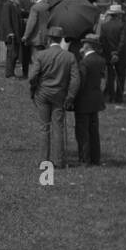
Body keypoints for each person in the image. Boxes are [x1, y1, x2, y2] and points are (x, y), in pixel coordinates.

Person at [28, 25, 80, 169]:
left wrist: (34, 88)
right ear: (61, 38)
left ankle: (43, 160)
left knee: (44, 127)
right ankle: (59, 160)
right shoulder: (69, 56)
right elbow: (76, 80)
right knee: (58, 127)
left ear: (49, 38)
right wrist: (70, 97)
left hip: (43, 93)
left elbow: (32, 76)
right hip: (60, 94)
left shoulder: (41, 55)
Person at [66, 33, 105, 165]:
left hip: (83, 101)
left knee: (82, 132)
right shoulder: (100, 60)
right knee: (94, 131)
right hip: (96, 100)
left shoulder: (84, 63)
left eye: (83, 44)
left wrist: (71, 98)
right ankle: (95, 158)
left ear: (87, 46)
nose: (81, 47)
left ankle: (84, 159)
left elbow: (80, 83)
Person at [98, 2, 126, 103]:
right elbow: (123, 41)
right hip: (120, 55)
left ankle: (110, 96)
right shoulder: (122, 25)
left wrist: (110, 53)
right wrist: (117, 53)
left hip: (108, 54)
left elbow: (102, 41)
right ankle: (119, 97)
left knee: (110, 76)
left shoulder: (104, 26)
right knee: (121, 76)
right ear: (119, 14)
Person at [1, 0, 29, 78]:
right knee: (11, 54)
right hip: (11, 34)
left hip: (17, 34)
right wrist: (10, 31)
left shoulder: (15, 5)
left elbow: (21, 14)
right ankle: (9, 73)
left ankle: (11, 72)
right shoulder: (7, 5)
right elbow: (6, 19)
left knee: (15, 53)